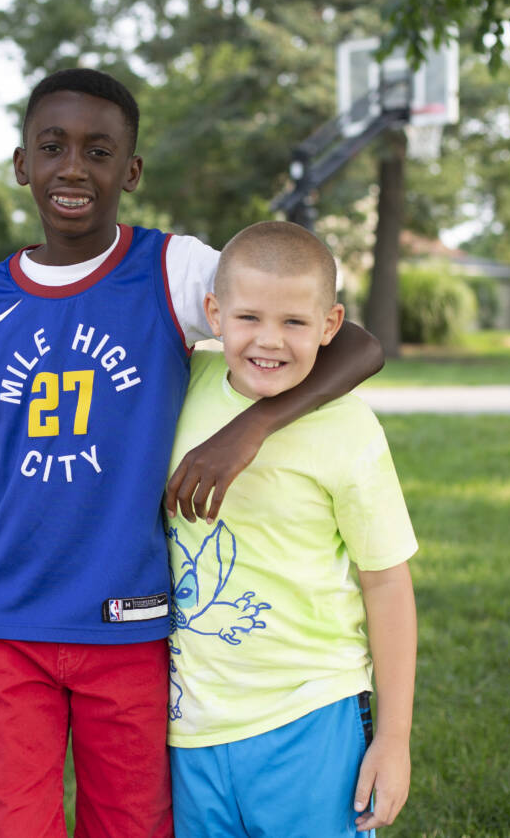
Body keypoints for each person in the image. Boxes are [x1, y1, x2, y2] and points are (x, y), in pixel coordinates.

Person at [0, 68, 385, 837]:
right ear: (22, 163)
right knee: (15, 825)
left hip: (128, 617)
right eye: (52, 147)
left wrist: (246, 431)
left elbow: (353, 342)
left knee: (129, 823)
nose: (73, 168)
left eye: (99, 150)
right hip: (7, 620)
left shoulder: (172, 266)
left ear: (131, 170)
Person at [166, 220, 417, 837]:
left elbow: (386, 583)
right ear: (213, 313)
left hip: (311, 713)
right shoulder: (180, 386)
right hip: (189, 725)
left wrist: (394, 738)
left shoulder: (348, 428)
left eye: (295, 323)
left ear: (330, 326)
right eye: (248, 318)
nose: (269, 341)